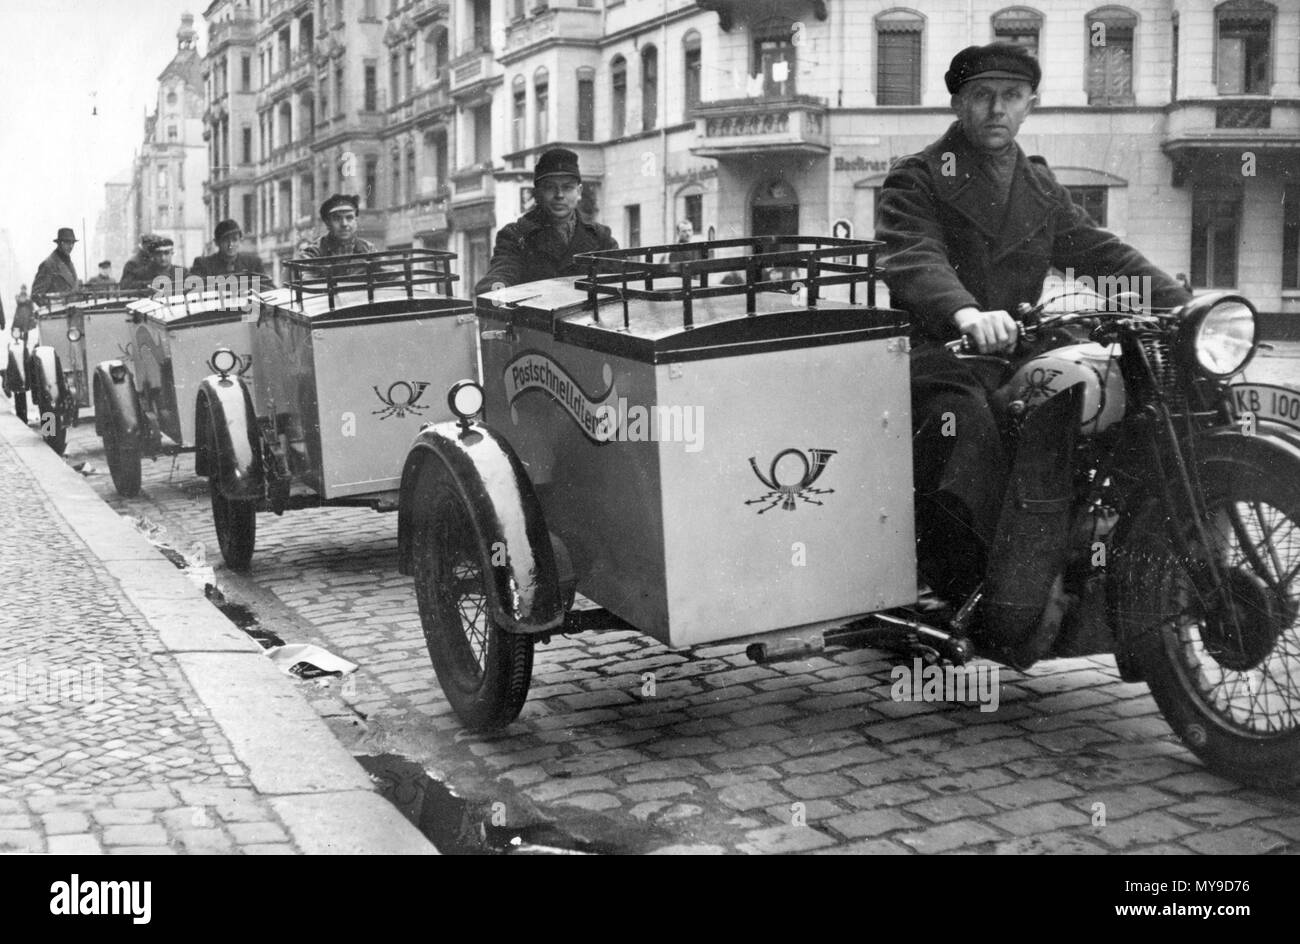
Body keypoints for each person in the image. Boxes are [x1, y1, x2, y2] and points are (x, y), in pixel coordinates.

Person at [875, 42, 1191, 606]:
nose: (997, 109)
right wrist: (966, 311)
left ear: (1030, 106)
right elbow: (915, 256)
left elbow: (1103, 254)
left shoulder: (1039, 186)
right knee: (965, 424)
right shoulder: (918, 177)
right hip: (936, 349)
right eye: (982, 95)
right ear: (958, 104)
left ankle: (1096, 544)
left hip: (1019, 342)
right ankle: (966, 583)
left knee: (1119, 389)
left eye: (1011, 96)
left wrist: (1186, 305)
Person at [475, 148, 617, 294]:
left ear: (579, 192)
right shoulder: (516, 235)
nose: (559, 195)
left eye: (567, 187)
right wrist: (495, 289)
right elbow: (503, 271)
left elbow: (621, 279)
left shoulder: (601, 237)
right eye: (550, 187)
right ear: (536, 193)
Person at [300, 194, 377, 259]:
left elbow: (386, 273)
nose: (344, 224)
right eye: (337, 218)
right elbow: (309, 276)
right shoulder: (313, 252)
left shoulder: (368, 249)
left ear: (356, 221)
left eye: (349, 218)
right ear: (327, 223)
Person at [191, 219, 266, 286]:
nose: (230, 245)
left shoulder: (253, 264)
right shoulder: (203, 265)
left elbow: (268, 290)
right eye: (225, 240)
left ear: (240, 240)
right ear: (217, 242)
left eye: (235, 239)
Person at [31, 227, 81, 305]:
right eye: (67, 243)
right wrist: (58, 303)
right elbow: (36, 295)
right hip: (57, 314)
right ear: (60, 243)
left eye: (72, 243)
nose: (71, 246)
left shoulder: (68, 262)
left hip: (72, 312)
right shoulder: (49, 265)